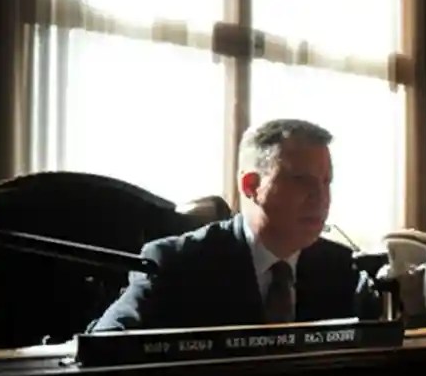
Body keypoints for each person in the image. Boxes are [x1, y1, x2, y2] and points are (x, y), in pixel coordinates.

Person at [90, 118, 363, 331]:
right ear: (252, 186)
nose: (321, 197)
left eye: (326, 181)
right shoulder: (177, 265)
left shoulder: (340, 268)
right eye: (302, 180)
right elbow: (103, 346)